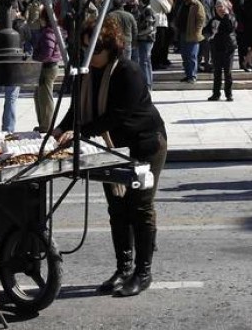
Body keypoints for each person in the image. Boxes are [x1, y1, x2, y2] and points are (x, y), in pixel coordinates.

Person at [53, 15, 167, 297]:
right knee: (117, 208)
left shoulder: (129, 71)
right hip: (110, 148)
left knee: (139, 208)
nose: (91, 57)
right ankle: (124, 268)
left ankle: (143, 272)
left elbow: (115, 117)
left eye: (97, 51)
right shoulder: (87, 74)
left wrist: (80, 132)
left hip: (144, 144)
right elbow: (77, 109)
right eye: (87, 50)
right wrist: (60, 129)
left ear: (110, 48)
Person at [31, 8, 63, 131]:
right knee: (39, 96)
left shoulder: (49, 32)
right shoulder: (51, 31)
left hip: (47, 67)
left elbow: (47, 53)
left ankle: (46, 125)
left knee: (45, 98)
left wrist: (35, 57)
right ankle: (43, 124)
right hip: (47, 67)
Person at [207, 0, 237, 101]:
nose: (220, 8)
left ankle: (229, 94)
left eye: (221, 6)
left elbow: (229, 28)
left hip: (228, 48)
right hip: (216, 48)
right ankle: (216, 94)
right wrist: (209, 36)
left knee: (227, 72)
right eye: (217, 6)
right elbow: (206, 30)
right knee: (217, 72)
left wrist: (226, 15)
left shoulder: (231, 18)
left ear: (226, 7)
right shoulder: (213, 20)